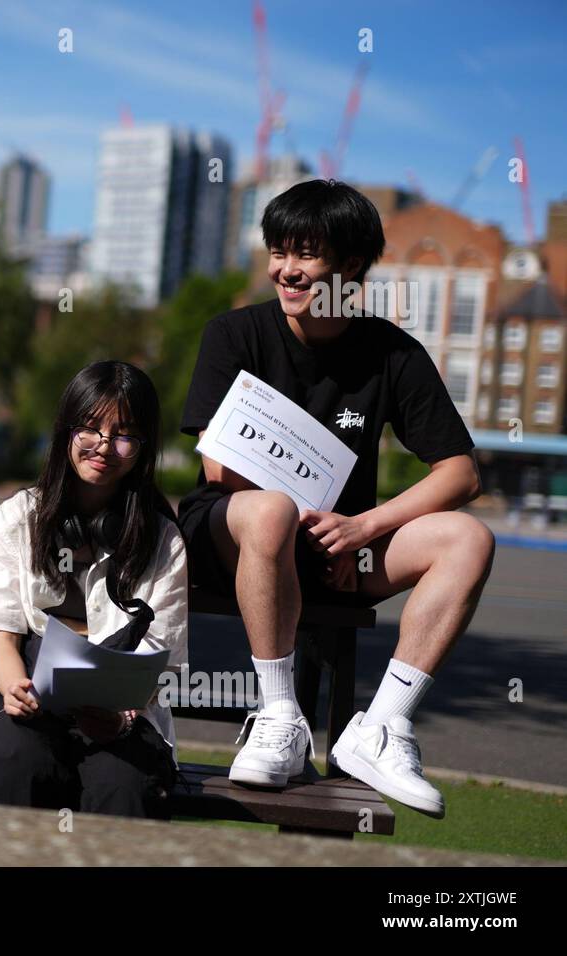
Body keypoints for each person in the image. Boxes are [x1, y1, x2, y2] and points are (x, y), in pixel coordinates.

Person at [176, 180, 494, 816]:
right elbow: (219, 467)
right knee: (270, 512)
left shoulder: (391, 352)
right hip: (234, 536)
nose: (284, 270)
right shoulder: (233, 334)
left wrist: (364, 528)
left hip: (341, 550)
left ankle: (380, 729)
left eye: (305, 255)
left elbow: (460, 473)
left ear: (349, 267)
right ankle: (278, 715)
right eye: (277, 252)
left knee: (469, 538)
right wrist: (302, 525)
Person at [0, 361, 187, 817]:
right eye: (89, 428)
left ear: (143, 448)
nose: (104, 447)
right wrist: (13, 689)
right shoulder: (16, 518)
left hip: (124, 704)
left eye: (124, 435)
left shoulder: (163, 539)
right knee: (15, 762)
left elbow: (163, 657)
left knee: (122, 786)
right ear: (67, 431)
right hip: (27, 682)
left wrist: (119, 717)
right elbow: (0, 633)